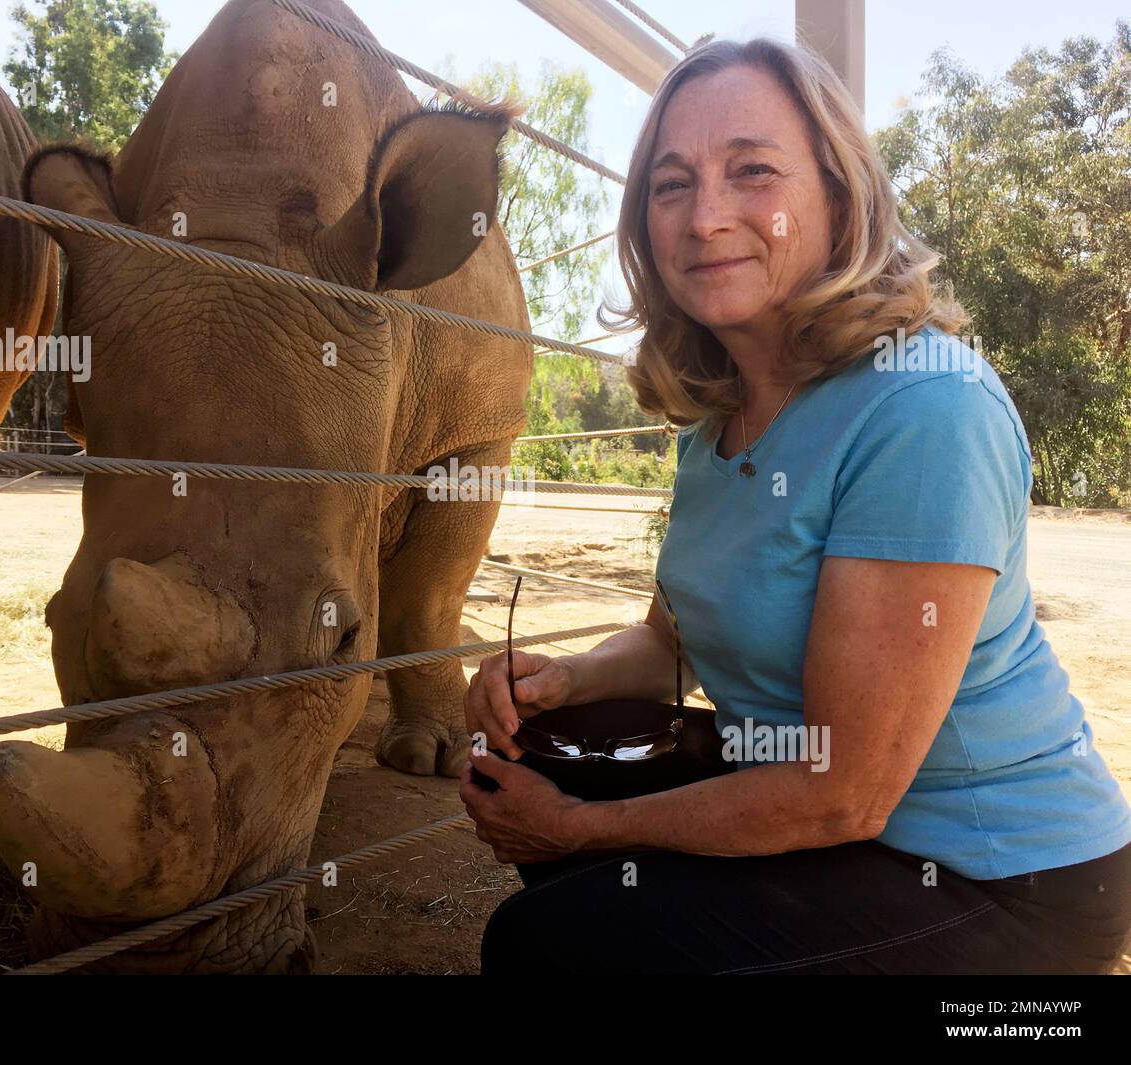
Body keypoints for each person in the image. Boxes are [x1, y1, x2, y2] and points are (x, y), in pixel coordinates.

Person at [458, 36, 1131, 975]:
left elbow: (842, 790)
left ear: (838, 196)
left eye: (753, 171)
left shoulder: (924, 403)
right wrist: (559, 682)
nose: (706, 216)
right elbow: (670, 643)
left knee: (542, 944)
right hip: (825, 808)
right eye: (671, 183)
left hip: (998, 881)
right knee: (545, 754)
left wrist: (580, 829)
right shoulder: (715, 420)